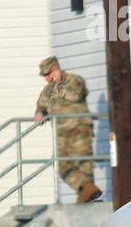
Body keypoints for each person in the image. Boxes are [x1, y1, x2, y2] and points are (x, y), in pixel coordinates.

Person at [35, 55, 102, 203]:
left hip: (79, 130)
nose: (47, 79)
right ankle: (85, 190)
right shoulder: (47, 91)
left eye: (48, 74)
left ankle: (88, 197)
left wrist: (59, 87)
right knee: (60, 165)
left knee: (84, 166)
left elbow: (76, 95)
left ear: (55, 69)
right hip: (61, 134)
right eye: (44, 76)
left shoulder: (75, 80)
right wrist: (39, 112)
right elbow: (41, 105)